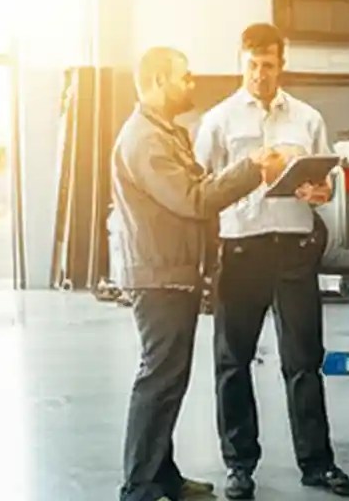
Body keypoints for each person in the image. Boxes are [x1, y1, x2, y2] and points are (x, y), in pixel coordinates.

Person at [112, 46, 288, 501]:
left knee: (169, 380)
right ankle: (140, 488)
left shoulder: (163, 133)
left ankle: (161, 474)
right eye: (184, 77)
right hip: (159, 274)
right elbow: (192, 198)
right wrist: (252, 169)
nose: (192, 84)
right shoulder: (146, 141)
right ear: (156, 82)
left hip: (172, 271)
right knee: (159, 379)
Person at [193, 24, 349, 499]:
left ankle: (317, 464)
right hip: (241, 249)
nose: (260, 75)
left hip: (293, 249)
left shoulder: (307, 118)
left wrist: (319, 192)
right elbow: (201, 188)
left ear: (281, 63)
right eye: (252, 65)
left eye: (269, 66)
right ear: (240, 62)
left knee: (303, 360)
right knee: (233, 360)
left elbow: (323, 189)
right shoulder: (218, 120)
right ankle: (239, 465)